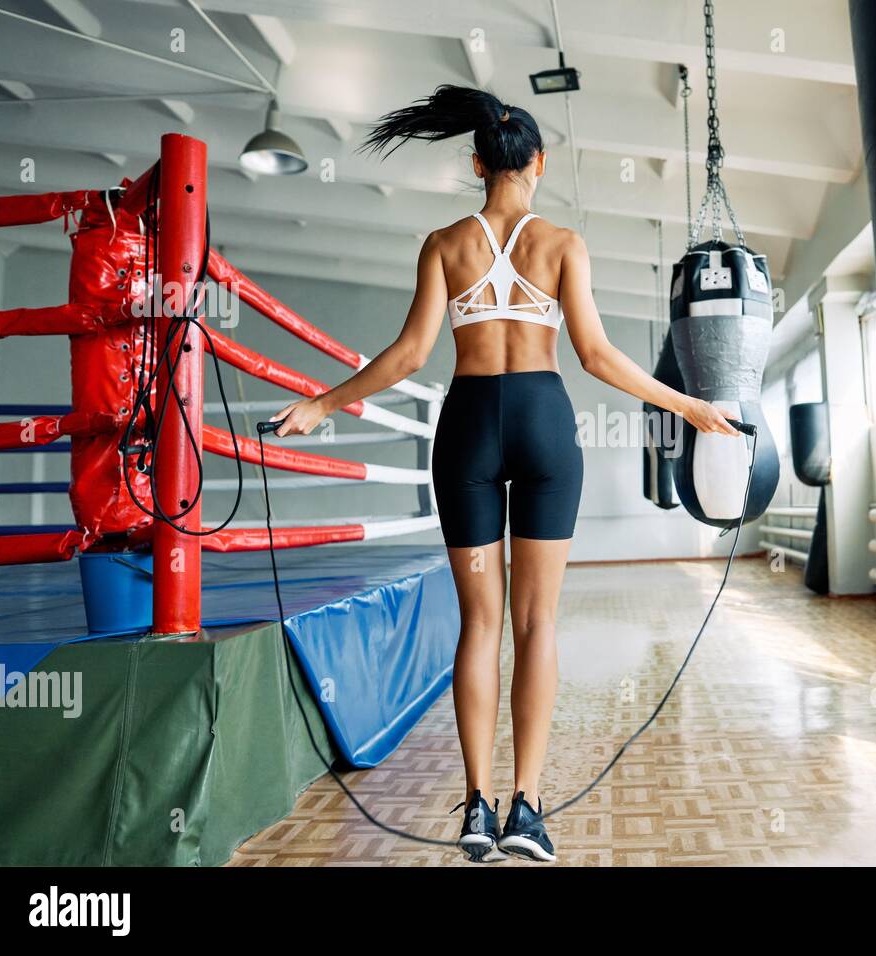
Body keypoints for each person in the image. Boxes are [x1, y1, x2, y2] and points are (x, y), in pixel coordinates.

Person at [270, 85, 737, 863]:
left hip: (469, 434)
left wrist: (323, 405)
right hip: (544, 426)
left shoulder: (444, 244)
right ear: (538, 164)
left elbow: (411, 355)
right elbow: (595, 356)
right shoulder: (563, 244)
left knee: (480, 624)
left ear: (478, 161)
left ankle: (477, 809)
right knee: (537, 624)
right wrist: (687, 406)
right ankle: (528, 808)